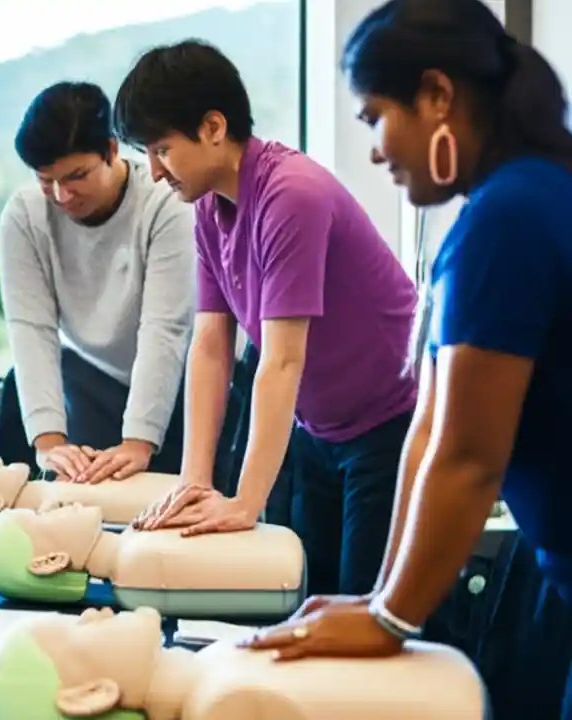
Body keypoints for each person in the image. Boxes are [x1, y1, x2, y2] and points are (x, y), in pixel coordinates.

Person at [240, 0, 572, 717]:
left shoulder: (511, 218)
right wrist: (381, 601)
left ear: (438, 96)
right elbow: (429, 429)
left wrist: (390, 619)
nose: (375, 150)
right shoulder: (522, 197)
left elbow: (466, 456)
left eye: (374, 117)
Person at [117, 40, 420, 599]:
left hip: (389, 427)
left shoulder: (291, 195)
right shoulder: (208, 207)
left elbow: (281, 360)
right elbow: (210, 345)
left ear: (213, 127)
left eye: (162, 150)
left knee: (362, 610)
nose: (155, 173)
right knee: (308, 601)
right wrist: (194, 481)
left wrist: (246, 502)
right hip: (317, 430)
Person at [0, 81, 195, 484]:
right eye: (45, 179)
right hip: (90, 377)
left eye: (76, 176)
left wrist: (138, 442)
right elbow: (31, 329)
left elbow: (164, 331)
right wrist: (50, 444)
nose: (62, 195)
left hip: (182, 381)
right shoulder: (24, 215)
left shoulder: (164, 204)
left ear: (111, 150)